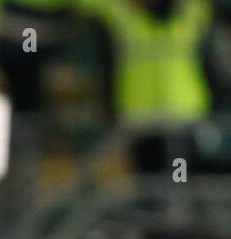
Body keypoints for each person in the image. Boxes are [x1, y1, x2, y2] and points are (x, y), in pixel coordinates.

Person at [75, 0, 213, 173]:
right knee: (149, 182)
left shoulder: (193, 11)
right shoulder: (120, 14)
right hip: (139, 119)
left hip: (184, 117)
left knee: (182, 180)